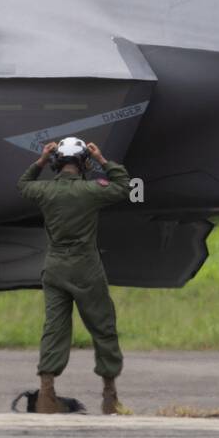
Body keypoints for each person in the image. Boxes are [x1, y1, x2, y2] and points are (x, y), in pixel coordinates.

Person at [18, 137, 131, 414]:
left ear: (57, 163)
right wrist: (103, 160)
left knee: (54, 329)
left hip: (54, 267)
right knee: (102, 327)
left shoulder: (44, 190)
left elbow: (22, 185)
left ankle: (46, 394)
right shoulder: (91, 190)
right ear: (84, 164)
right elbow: (123, 186)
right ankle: (109, 395)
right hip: (86, 268)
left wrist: (41, 160)